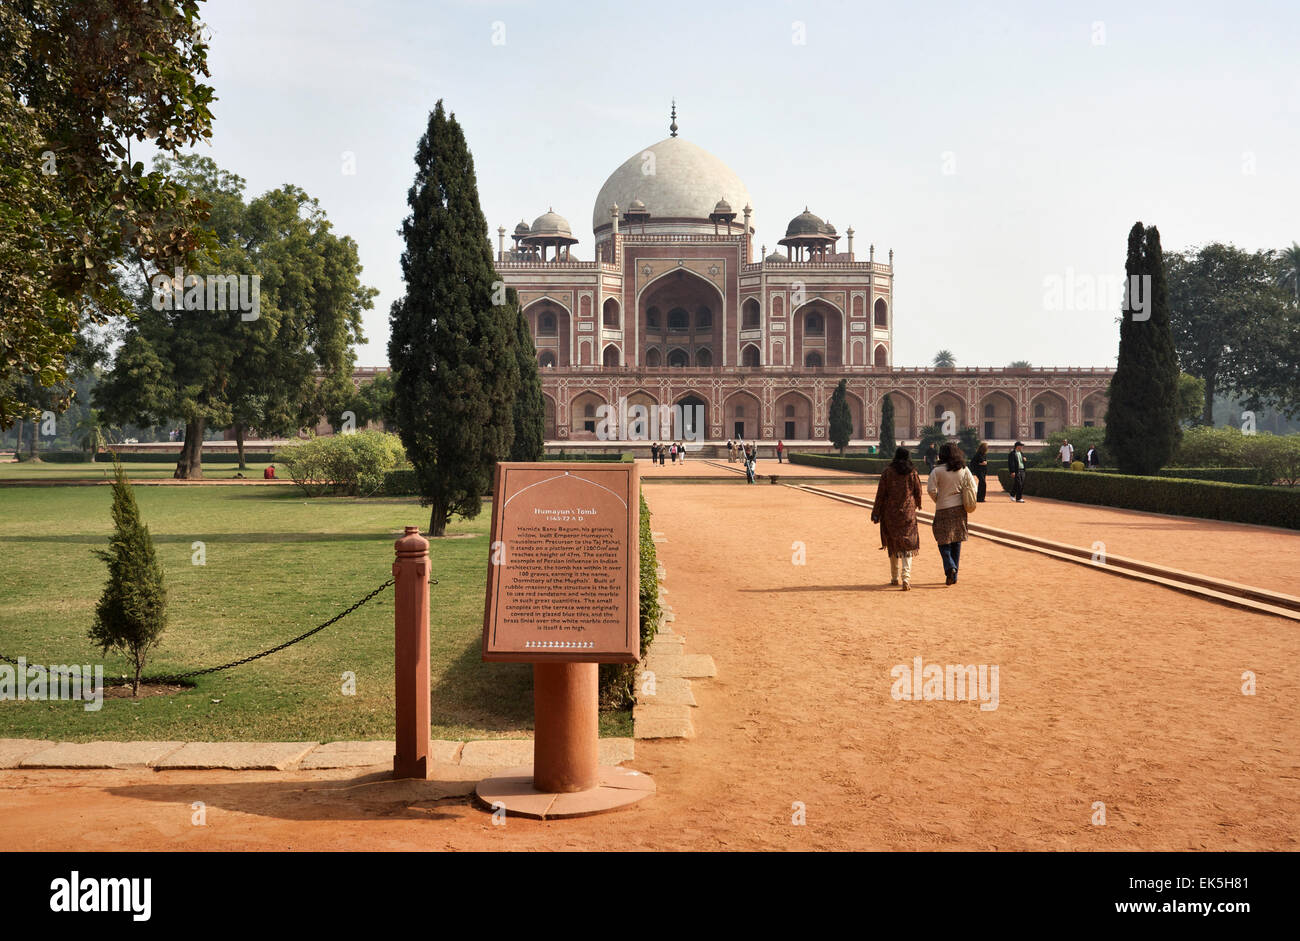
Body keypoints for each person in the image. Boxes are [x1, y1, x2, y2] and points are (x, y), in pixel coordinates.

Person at [870, 447, 922, 590]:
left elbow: (881, 493)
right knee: (908, 544)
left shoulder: (888, 472)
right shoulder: (912, 472)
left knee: (893, 543)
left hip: (890, 512)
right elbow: (918, 491)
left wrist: (876, 512)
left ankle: (894, 577)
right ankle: (906, 577)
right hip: (908, 513)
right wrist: (917, 503)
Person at [927, 442, 973, 585]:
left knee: (943, 541)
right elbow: (973, 487)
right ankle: (954, 574)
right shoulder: (964, 469)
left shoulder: (937, 471)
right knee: (956, 540)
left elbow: (931, 490)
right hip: (960, 508)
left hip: (943, 508)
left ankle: (950, 567)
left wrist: (938, 500)